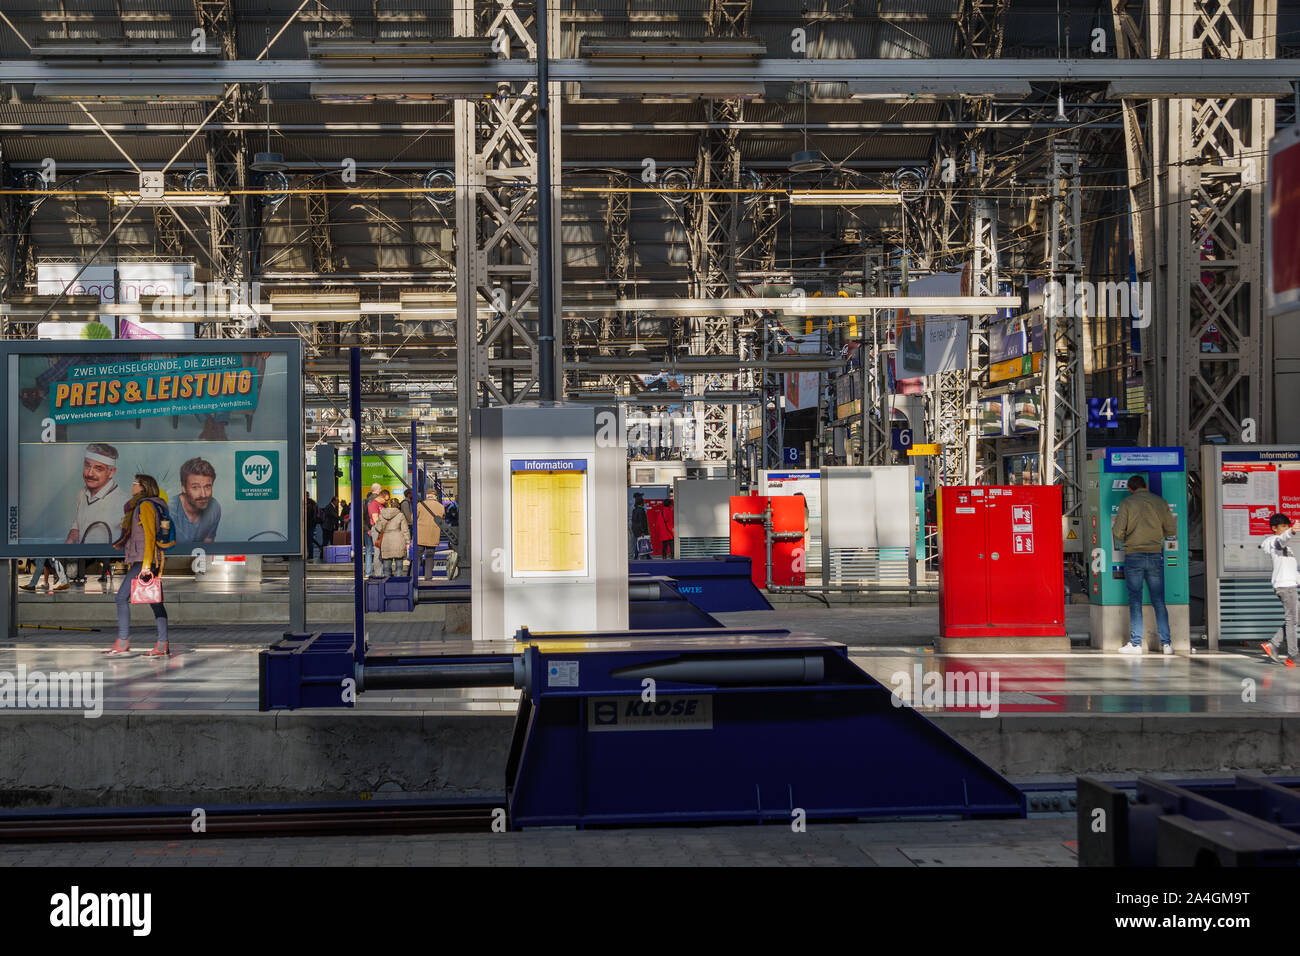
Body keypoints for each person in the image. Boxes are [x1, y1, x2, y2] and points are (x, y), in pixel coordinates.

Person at [1111, 474, 1177, 655]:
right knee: (1158, 600)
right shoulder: (1160, 502)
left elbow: (1117, 532)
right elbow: (1171, 529)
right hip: (1155, 554)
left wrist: (1128, 536)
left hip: (1134, 555)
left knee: (1135, 600)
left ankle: (1136, 644)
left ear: (1131, 489)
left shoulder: (1127, 503)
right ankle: (1167, 644)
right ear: (1145, 485)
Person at [106, 474, 170, 658]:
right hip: (145, 559)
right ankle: (161, 643)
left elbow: (150, 535)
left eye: (134, 483)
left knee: (121, 597)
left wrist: (146, 566)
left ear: (143, 487)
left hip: (145, 560)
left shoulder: (146, 506)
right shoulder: (141, 506)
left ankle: (124, 641)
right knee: (155, 601)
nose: (131, 486)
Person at [1259, 513, 1298, 666]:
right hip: (1286, 587)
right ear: (1274, 528)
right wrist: (1292, 532)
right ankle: (1292, 656)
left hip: (1288, 585)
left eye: (1287, 527)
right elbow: (1281, 540)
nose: (1286, 529)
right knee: (1292, 621)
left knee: (1294, 618)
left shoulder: (1286, 548)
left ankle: (1274, 644)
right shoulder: (1274, 541)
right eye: (1283, 527)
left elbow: (1292, 570)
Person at [172, 457, 221, 544]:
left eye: (207, 486)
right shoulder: (169, 509)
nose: (203, 494)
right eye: (195, 487)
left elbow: (207, 549)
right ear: (183, 488)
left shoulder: (214, 507)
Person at [372, 492, 411, 577]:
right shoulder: (400, 515)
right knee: (399, 566)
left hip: (386, 541)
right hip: (398, 541)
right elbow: (405, 530)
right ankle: (398, 585)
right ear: (398, 506)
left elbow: (378, 527)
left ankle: (387, 585)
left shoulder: (382, 514)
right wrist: (408, 542)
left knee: (386, 566)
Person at [415, 490, 446, 580]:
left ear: (427, 495)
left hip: (420, 535)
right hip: (433, 534)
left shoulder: (420, 505)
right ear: (435, 496)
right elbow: (442, 519)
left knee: (418, 556)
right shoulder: (440, 506)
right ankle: (428, 577)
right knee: (430, 556)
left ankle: (415, 577)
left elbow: (413, 518)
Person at [363, 483, 384, 576]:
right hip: (376, 528)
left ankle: (368, 571)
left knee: (368, 550)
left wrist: (367, 528)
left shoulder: (365, 501)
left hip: (367, 528)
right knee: (378, 551)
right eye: (380, 489)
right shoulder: (378, 501)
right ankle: (379, 572)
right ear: (378, 490)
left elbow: (363, 516)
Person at [650, 494, 675, 559]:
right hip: (671, 532)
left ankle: (664, 557)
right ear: (670, 504)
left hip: (663, 532)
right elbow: (673, 521)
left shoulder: (661, 512)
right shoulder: (672, 511)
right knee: (672, 545)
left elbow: (658, 523)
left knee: (664, 545)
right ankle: (672, 556)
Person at [630, 493, 650, 560]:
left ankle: (647, 556)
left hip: (635, 529)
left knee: (640, 542)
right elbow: (641, 521)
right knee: (641, 542)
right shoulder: (641, 511)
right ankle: (637, 556)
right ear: (641, 503)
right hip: (640, 529)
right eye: (643, 502)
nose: (644, 503)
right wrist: (643, 531)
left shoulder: (634, 510)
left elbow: (634, 521)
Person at [305, 494, 321, 560]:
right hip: (311, 525)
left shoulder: (309, 504)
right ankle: (318, 547)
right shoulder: (313, 503)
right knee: (310, 539)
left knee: (309, 540)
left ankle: (310, 555)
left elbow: (309, 515)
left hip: (309, 524)